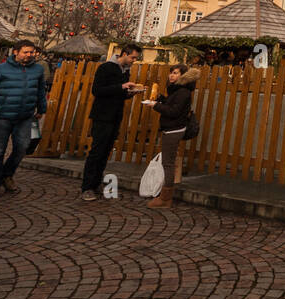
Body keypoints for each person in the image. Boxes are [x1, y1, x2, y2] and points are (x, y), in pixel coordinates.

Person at [0, 39, 47, 197]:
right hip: (2, 116)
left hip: (25, 116)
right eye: (25, 52)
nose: (29, 55)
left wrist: (42, 107)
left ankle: (7, 175)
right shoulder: (1, 69)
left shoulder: (38, 70)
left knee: (22, 148)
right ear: (16, 52)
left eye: (31, 52)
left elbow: (40, 90)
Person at [81, 44, 145, 200]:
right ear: (124, 54)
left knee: (105, 152)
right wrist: (121, 86)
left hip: (115, 115)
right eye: (132, 57)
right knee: (97, 151)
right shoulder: (106, 68)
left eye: (135, 58)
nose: (134, 61)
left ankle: (96, 183)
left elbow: (119, 93)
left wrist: (130, 93)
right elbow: (97, 90)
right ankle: (87, 187)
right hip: (102, 115)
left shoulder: (125, 71)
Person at [143, 62, 199, 209]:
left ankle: (165, 198)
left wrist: (155, 106)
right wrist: (161, 99)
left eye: (176, 73)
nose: (172, 75)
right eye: (171, 72)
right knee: (168, 162)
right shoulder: (177, 89)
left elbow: (173, 112)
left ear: (183, 76)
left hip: (174, 130)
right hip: (171, 128)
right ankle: (164, 196)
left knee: (168, 164)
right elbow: (171, 104)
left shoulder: (183, 92)